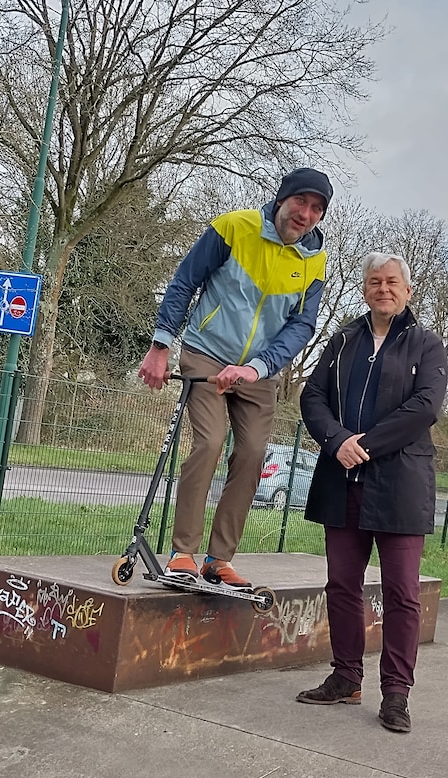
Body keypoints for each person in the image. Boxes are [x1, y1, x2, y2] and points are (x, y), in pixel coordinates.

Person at [138, 168, 333, 587]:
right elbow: (185, 281)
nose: (305, 214)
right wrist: (161, 344)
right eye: (300, 201)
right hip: (206, 353)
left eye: (316, 209)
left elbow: (302, 325)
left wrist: (257, 367)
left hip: (258, 370)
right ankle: (182, 554)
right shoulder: (233, 227)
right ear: (282, 199)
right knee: (209, 443)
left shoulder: (315, 262)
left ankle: (219, 559)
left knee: (253, 454)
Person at [296, 251, 448, 732]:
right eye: (375, 282)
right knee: (341, 585)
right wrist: (337, 441)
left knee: (402, 593)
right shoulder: (343, 341)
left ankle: (396, 694)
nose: (383, 289)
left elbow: (425, 407)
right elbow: (312, 396)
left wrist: (365, 445)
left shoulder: (426, 345)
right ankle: (345, 677)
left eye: (392, 282)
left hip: (400, 485)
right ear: (365, 290)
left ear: (407, 290)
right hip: (342, 483)